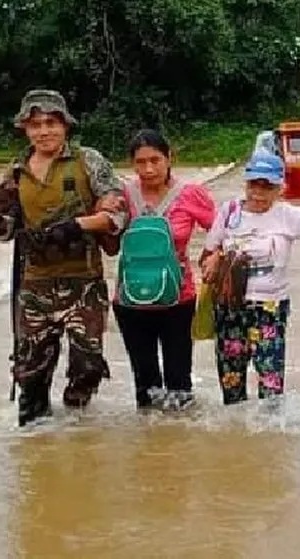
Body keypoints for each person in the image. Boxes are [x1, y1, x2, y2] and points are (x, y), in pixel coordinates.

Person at [0, 89, 129, 426]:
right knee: (32, 373)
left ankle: (77, 422)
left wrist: (75, 226)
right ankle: (37, 445)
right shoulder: (17, 171)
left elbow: (117, 212)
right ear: (25, 128)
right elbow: (8, 232)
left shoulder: (88, 162)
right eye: (36, 124)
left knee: (88, 363)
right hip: (35, 285)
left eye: (51, 123)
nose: (44, 131)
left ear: (65, 125)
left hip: (83, 282)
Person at [201, 152, 300, 405]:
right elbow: (208, 254)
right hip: (229, 309)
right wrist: (213, 259)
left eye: (267, 186)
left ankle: (271, 439)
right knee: (231, 386)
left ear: (281, 187)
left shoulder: (288, 215)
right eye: (253, 183)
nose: (258, 192)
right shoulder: (229, 211)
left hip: (270, 309)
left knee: (271, 388)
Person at [112, 129, 217, 412]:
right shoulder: (121, 195)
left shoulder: (191, 195)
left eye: (155, 160)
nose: (148, 169)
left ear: (169, 158)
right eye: (141, 162)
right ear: (132, 164)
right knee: (145, 387)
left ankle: (178, 447)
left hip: (178, 300)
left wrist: (213, 257)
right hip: (130, 301)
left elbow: (222, 231)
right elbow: (106, 235)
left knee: (179, 383)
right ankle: (151, 448)